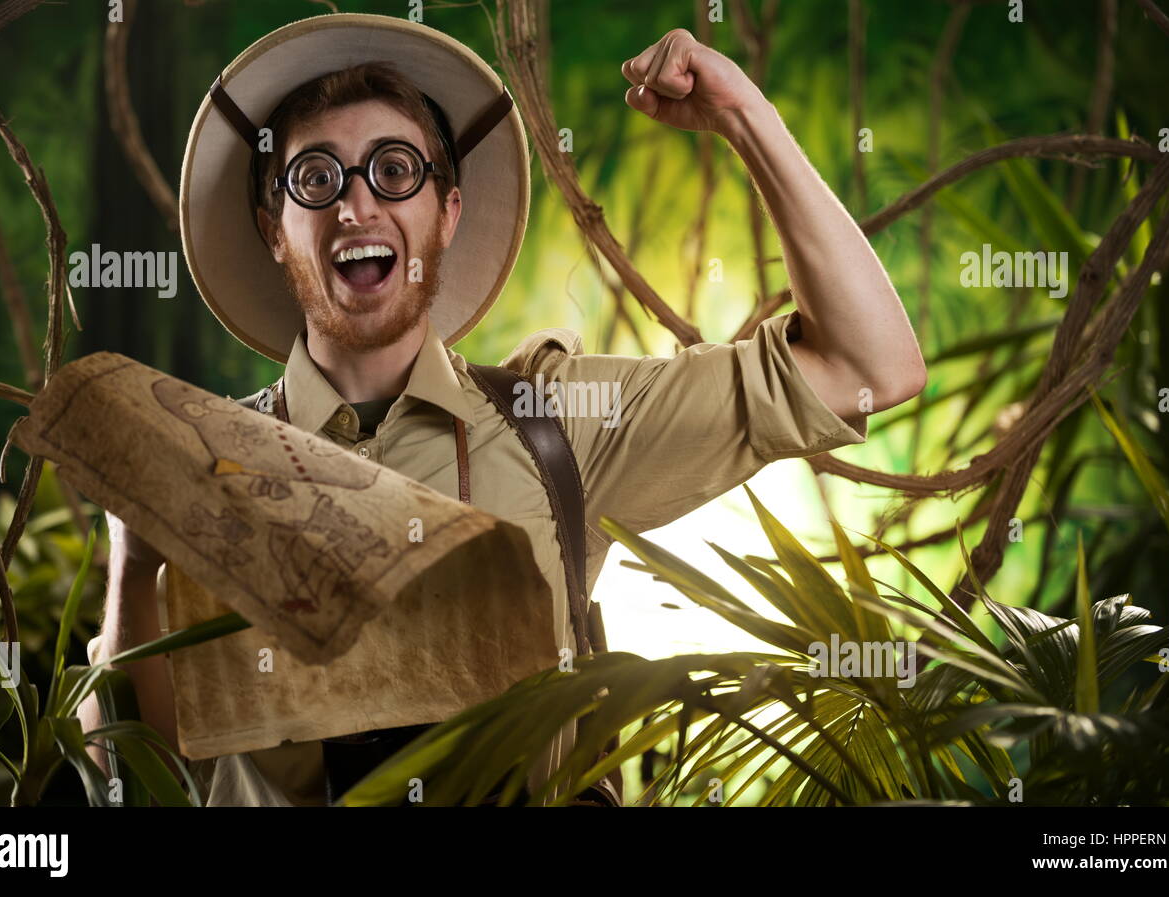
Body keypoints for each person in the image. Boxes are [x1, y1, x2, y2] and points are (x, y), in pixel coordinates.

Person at [80, 13, 925, 807]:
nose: (356, 204)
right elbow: (136, 780)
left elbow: (865, 365)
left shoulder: (558, 422)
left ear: (447, 213)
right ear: (275, 229)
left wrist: (745, 115)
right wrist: (136, 552)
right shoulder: (206, 462)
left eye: (395, 170)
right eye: (314, 179)